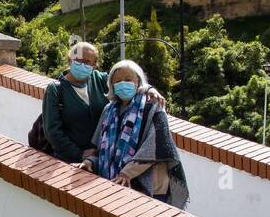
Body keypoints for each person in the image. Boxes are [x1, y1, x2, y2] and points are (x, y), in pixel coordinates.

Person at [80, 60, 189, 208]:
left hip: (148, 186)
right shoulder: (109, 110)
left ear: (138, 81)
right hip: (115, 183)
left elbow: (156, 145)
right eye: (118, 81)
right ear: (111, 85)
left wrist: (127, 173)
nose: (123, 83)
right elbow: (101, 147)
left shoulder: (152, 106)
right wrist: (90, 162)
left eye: (128, 79)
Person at [41, 41, 163, 164]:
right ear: (70, 60)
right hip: (70, 162)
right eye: (78, 60)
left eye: (87, 62)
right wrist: (79, 154)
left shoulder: (100, 79)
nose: (82, 65)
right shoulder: (56, 90)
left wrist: (149, 89)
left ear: (94, 65)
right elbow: (52, 131)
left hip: (102, 158)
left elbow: (125, 79)